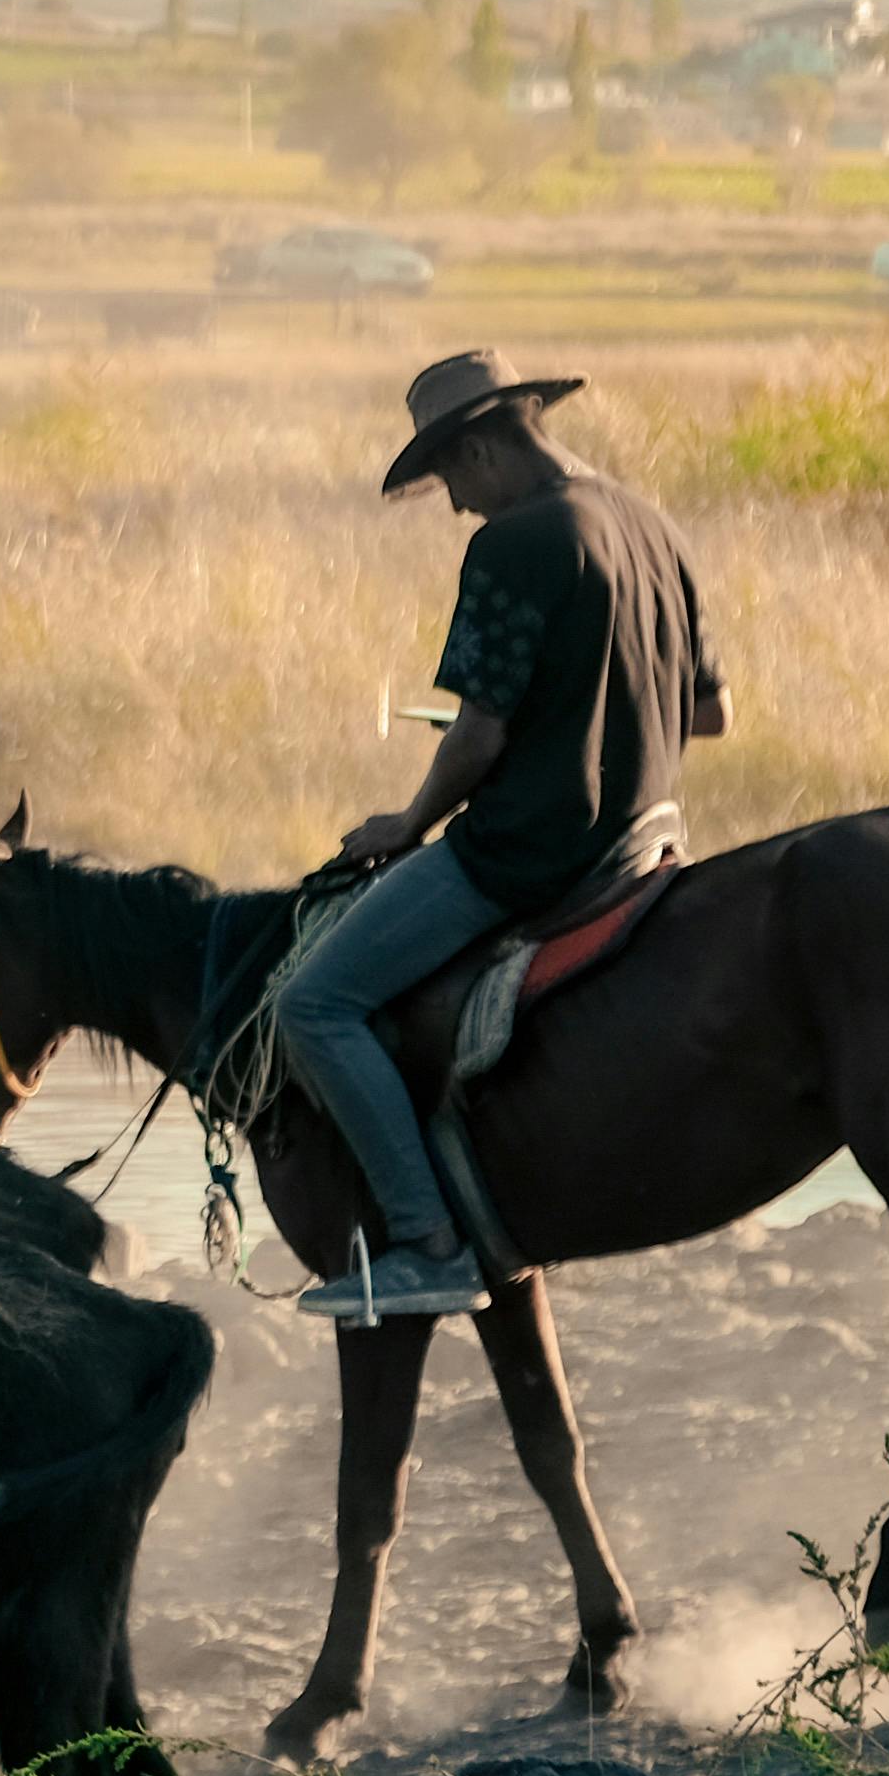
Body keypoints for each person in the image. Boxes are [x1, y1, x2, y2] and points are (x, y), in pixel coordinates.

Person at [271, 348, 727, 1324]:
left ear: (477, 448)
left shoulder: (514, 543)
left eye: (448, 483)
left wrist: (407, 822)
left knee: (315, 1002)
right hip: (649, 840)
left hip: (536, 851)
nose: (453, 509)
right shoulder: (652, 523)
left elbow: (478, 734)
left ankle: (426, 1242)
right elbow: (707, 714)